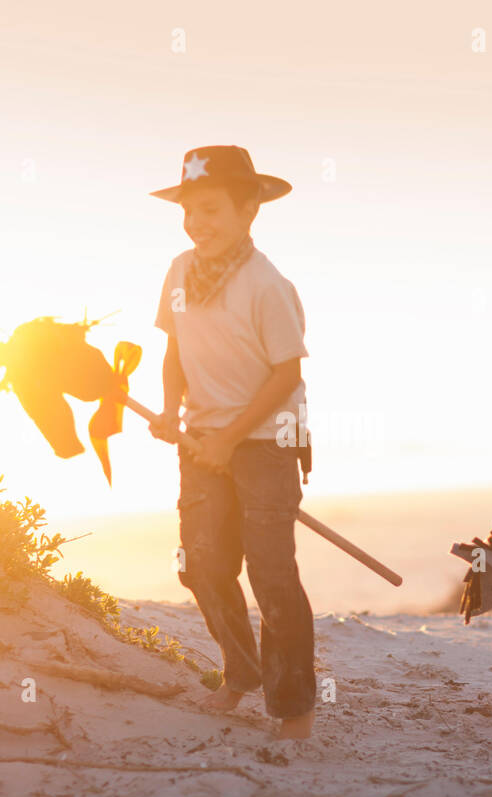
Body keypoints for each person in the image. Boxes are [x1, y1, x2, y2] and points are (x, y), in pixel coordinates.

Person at [146, 145, 316, 740]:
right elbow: (175, 349)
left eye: (212, 209)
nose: (198, 224)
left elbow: (287, 375)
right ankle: (240, 672)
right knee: (201, 562)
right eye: (190, 211)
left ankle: (293, 707)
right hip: (202, 437)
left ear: (250, 210)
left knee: (271, 573)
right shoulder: (177, 272)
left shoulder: (266, 284)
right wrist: (170, 411)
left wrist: (233, 439)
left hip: (267, 439)